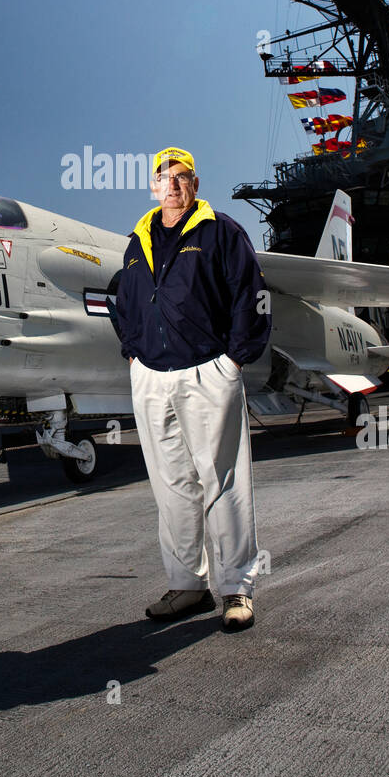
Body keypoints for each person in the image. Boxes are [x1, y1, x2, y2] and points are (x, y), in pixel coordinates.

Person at [111, 147, 272, 632]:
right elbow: (123, 300)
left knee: (223, 483)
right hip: (152, 377)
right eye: (164, 177)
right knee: (171, 486)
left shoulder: (221, 231)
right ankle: (186, 585)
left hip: (208, 372)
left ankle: (237, 588)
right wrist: (133, 351)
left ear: (195, 185)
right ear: (153, 188)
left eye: (183, 177)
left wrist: (235, 358)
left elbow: (253, 293)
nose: (173, 185)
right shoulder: (136, 242)